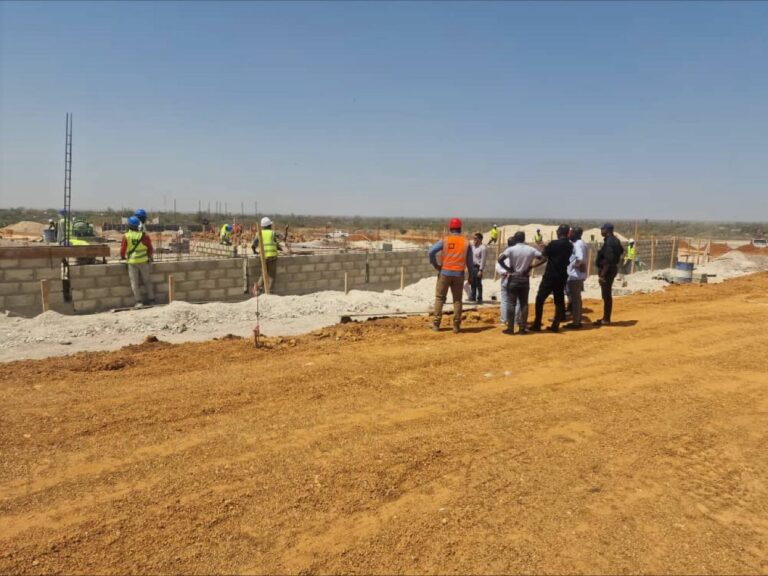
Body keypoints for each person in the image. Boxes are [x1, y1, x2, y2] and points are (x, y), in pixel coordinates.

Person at [428, 218, 473, 333]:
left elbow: (431, 252)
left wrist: (435, 265)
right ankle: (456, 326)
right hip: (459, 274)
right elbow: (470, 263)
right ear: (460, 228)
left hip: (444, 273)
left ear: (450, 228)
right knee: (457, 300)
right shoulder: (466, 243)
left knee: (439, 298)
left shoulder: (445, 240)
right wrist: (471, 276)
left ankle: (436, 325)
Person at [498, 231, 543, 334]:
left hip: (514, 277)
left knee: (511, 303)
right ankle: (522, 329)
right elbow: (544, 258)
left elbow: (500, 259)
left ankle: (510, 328)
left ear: (515, 238)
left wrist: (508, 269)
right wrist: (532, 267)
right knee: (524, 304)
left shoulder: (511, 249)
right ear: (524, 238)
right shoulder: (531, 249)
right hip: (524, 278)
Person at [530, 224, 572, 332]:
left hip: (550, 275)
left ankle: (537, 323)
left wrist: (533, 266)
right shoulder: (569, 245)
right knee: (559, 300)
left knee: (540, 298)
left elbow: (544, 257)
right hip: (562, 276)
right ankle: (555, 324)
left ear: (560, 232)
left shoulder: (554, 244)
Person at [120, 216, 155, 308]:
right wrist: (149, 257)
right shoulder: (144, 235)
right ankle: (151, 300)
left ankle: (139, 302)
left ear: (129, 226)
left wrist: (123, 257)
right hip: (144, 261)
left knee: (134, 282)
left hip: (132, 262)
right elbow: (150, 249)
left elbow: (123, 250)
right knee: (147, 281)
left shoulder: (127, 236)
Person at [595, 223, 624, 326]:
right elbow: (621, 250)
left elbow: (608, 260)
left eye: (602, 229)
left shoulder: (609, 242)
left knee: (606, 295)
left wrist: (602, 275)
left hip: (607, 270)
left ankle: (606, 319)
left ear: (607, 230)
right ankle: (605, 318)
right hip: (611, 268)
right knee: (606, 294)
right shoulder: (615, 240)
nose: (601, 230)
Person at [565, 227, 588, 329]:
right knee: (577, 299)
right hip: (579, 276)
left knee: (575, 300)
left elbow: (580, 258)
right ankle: (577, 320)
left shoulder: (578, 244)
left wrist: (575, 265)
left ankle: (576, 323)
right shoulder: (583, 243)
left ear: (575, 234)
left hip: (574, 276)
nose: (569, 234)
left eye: (571, 233)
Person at [253, 216, 281, 294]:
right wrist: (281, 249)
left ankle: (257, 288)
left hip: (263, 257)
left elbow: (253, 245)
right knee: (272, 275)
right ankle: (269, 292)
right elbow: (276, 244)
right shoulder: (272, 233)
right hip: (272, 257)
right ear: (269, 225)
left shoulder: (259, 233)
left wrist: (254, 251)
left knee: (263, 274)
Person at [469, 232, 487, 303]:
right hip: (472, 267)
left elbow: (483, 260)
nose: (474, 240)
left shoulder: (483, 248)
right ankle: (473, 296)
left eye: (476, 238)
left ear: (480, 239)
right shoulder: (473, 247)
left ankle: (479, 298)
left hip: (478, 267)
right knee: (472, 282)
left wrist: (481, 270)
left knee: (478, 283)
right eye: (474, 238)